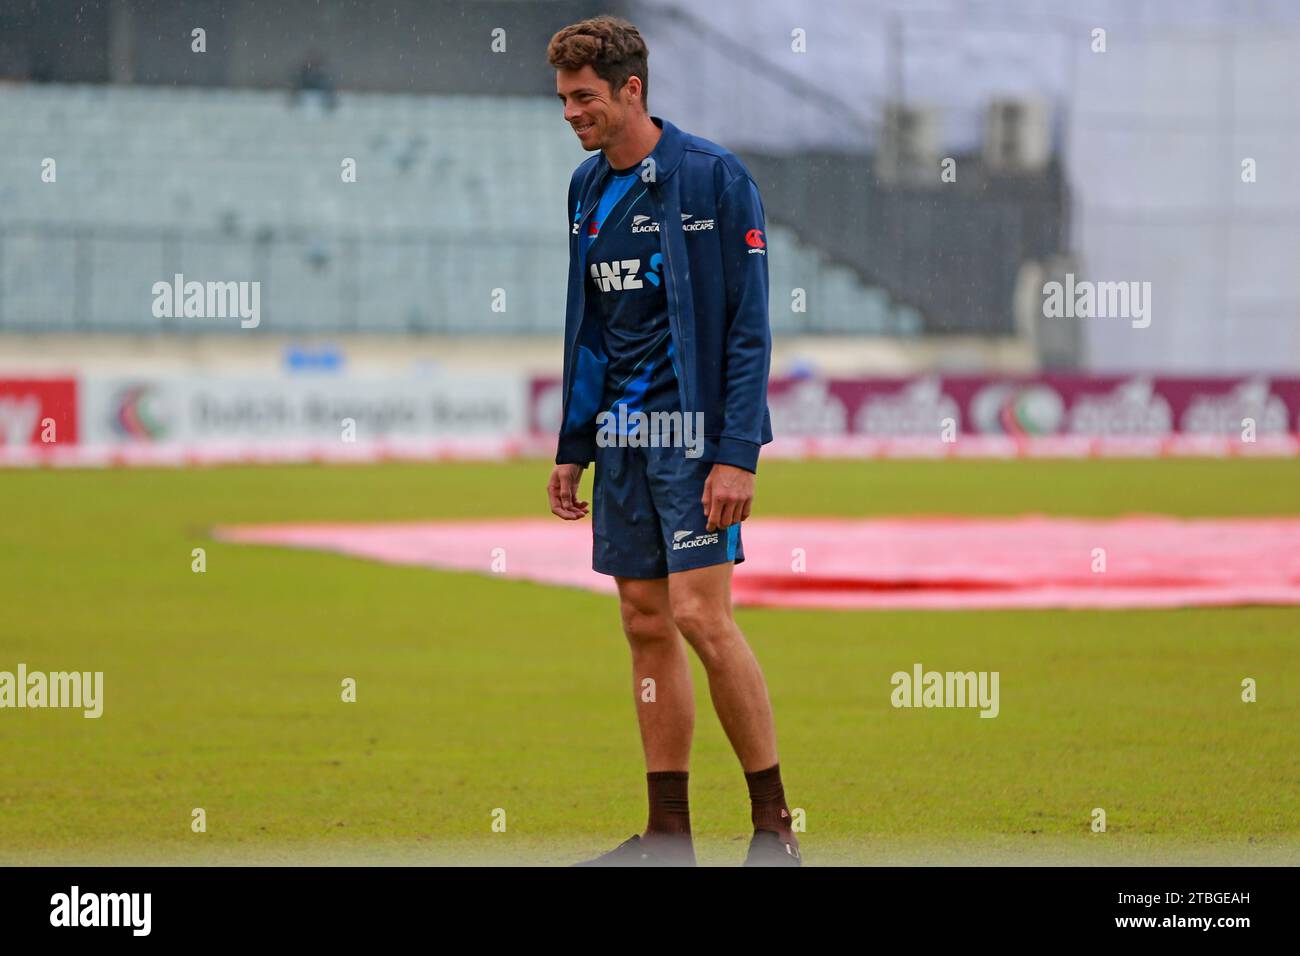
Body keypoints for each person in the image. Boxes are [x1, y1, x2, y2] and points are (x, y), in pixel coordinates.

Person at [544, 16, 799, 866]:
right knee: (643, 620)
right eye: (564, 100)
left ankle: (774, 830)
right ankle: (668, 839)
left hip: (693, 439)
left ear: (631, 90)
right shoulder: (585, 189)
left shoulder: (713, 179)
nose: (573, 113)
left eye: (585, 98)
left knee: (701, 616)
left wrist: (738, 452)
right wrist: (573, 444)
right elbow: (591, 329)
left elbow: (748, 328)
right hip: (619, 439)